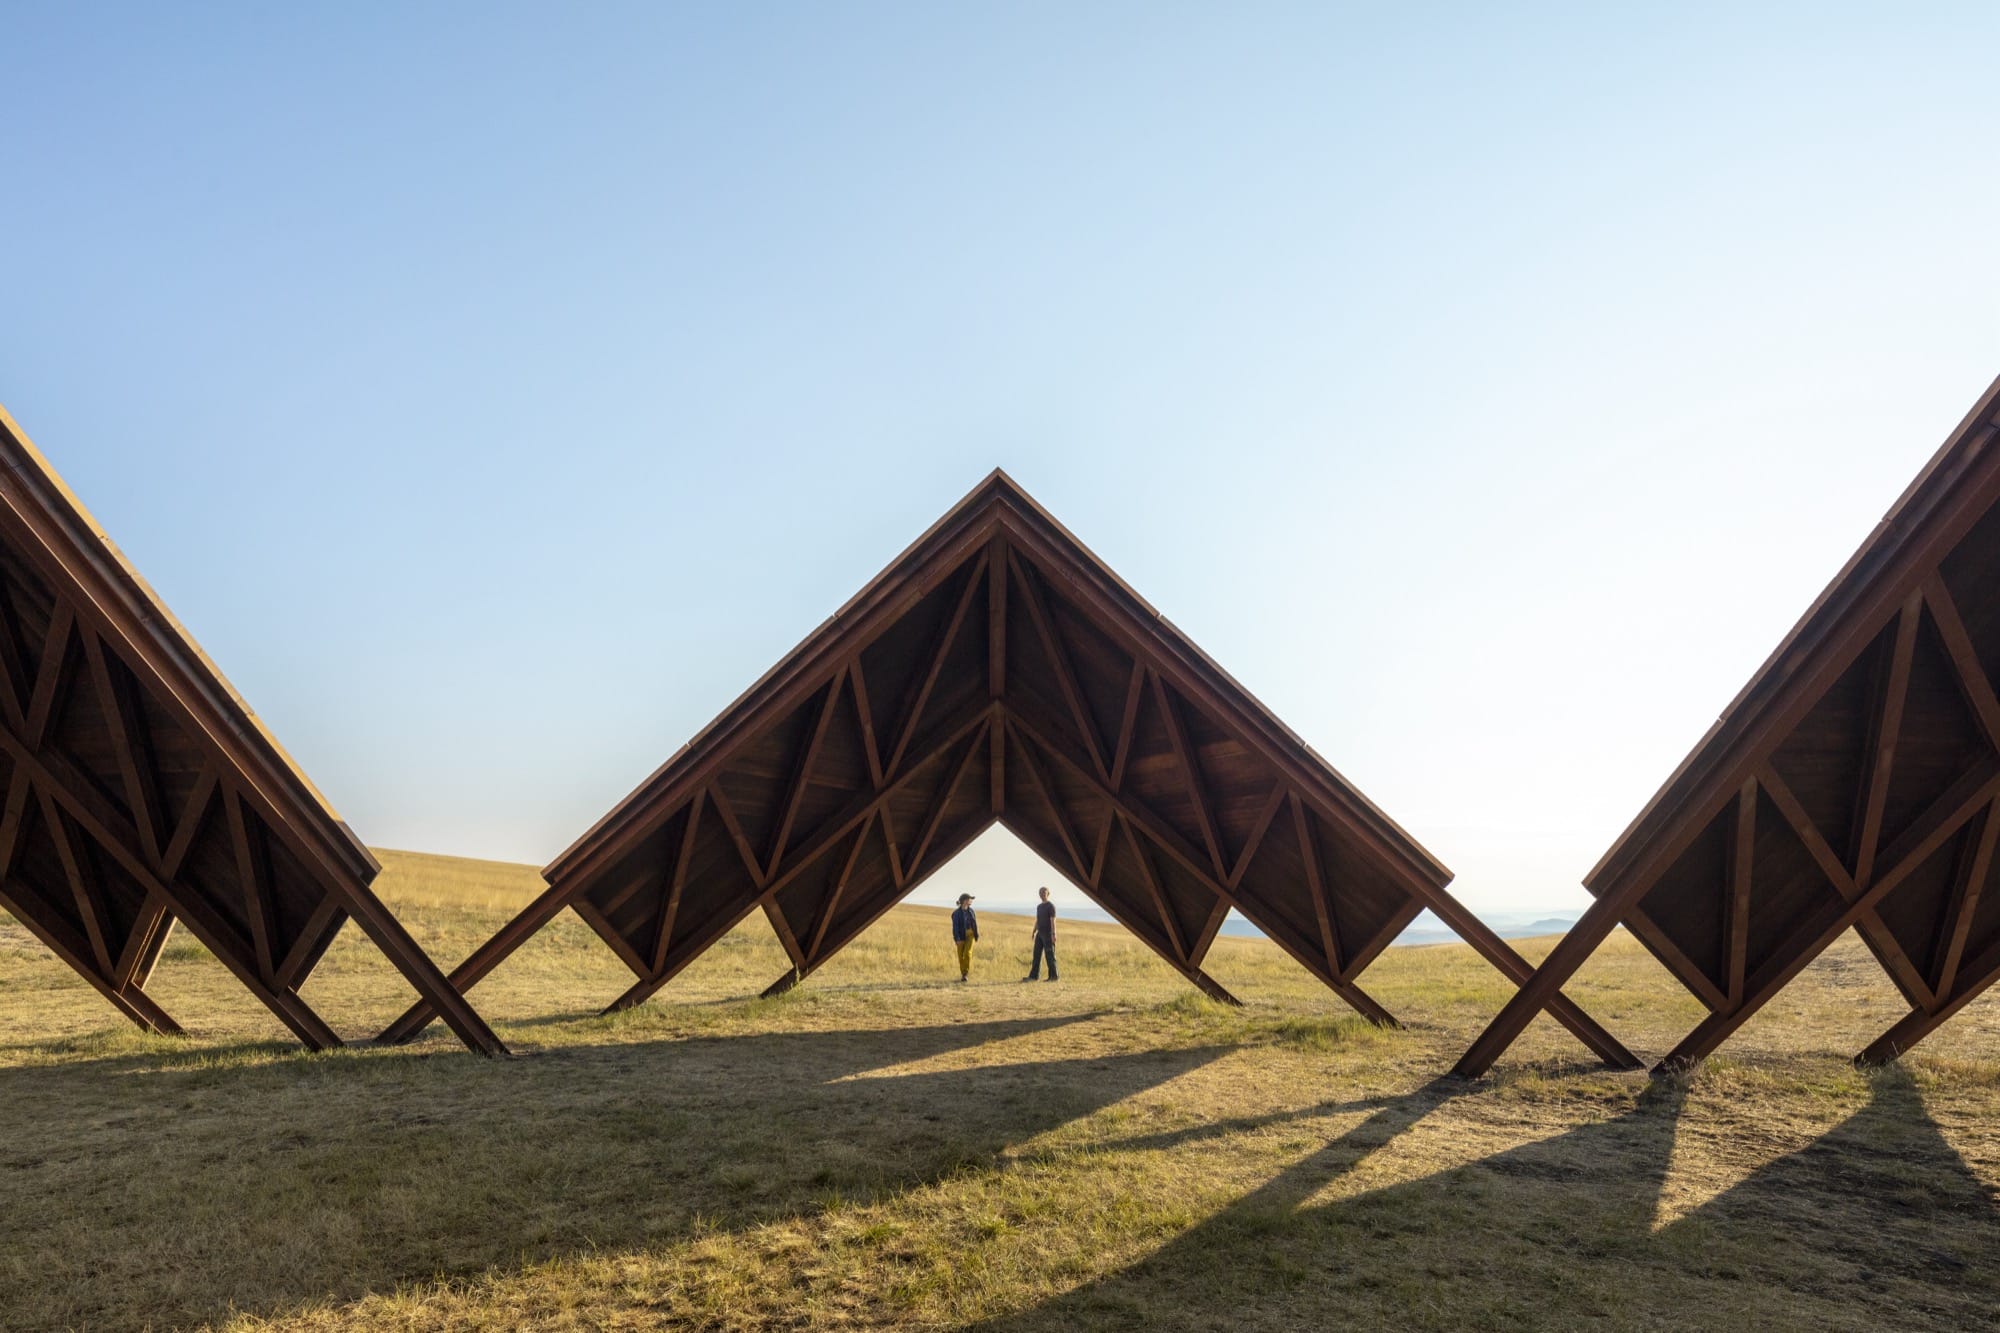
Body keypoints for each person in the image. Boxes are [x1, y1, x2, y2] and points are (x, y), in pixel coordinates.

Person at [1023, 886, 1058, 982]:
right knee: (1036, 955)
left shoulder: (1051, 906)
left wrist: (1053, 934)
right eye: (1040, 893)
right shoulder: (1039, 907)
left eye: (1044, 892)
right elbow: (1038, 919)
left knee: (1049, 955)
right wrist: (1034, 930)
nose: (1042, 894)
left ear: (1048, 894)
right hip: (1040, 933)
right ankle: (1034, 976)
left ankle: (1053, 977)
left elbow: (1053, 920)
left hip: (1048, 933)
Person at [951, 893, 979, 982]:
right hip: (960, 936)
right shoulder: (956, 913)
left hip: (970, 934)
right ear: (964, 901)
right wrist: (957, 939)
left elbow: (974, 924)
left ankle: (965, 974)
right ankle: (963, 973)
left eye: (971, 899)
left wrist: (976, 934)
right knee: (961, 956)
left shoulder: (971, 911)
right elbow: (955, 927)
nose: (971, 901)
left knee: (967, 953)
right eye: (969, 899)